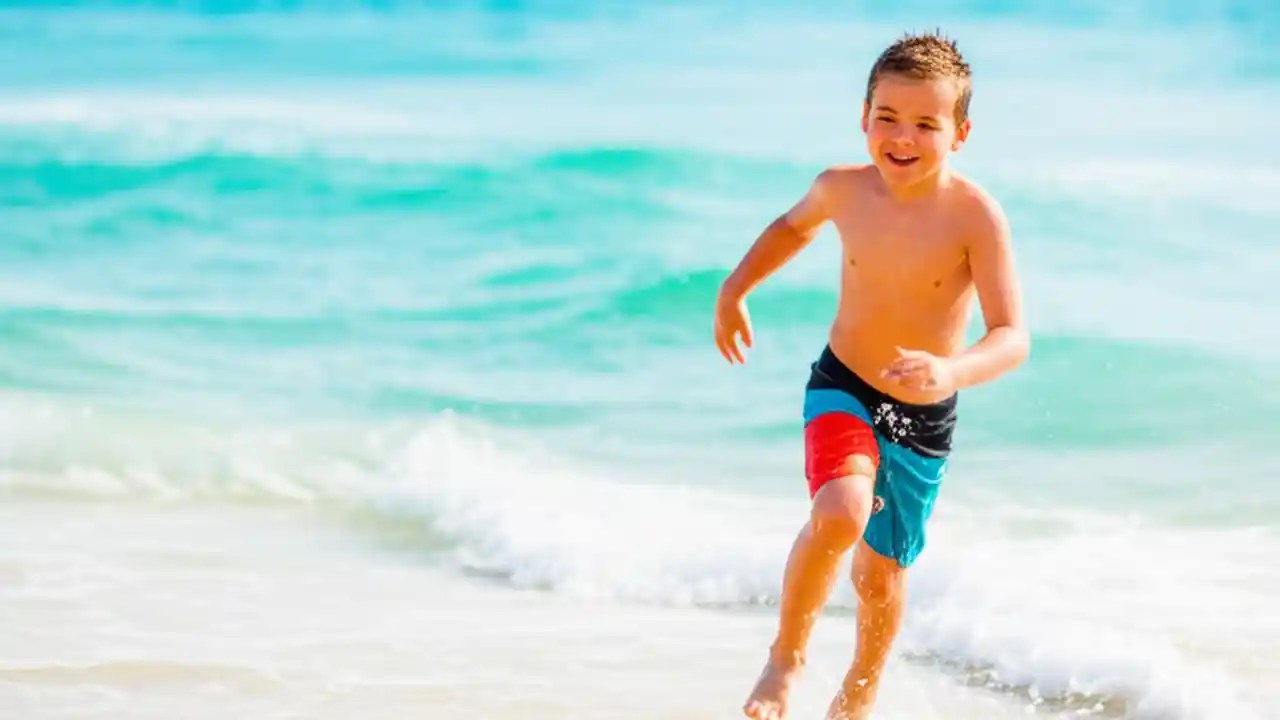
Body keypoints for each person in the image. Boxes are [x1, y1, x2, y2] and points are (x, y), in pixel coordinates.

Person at [713, 32, 1030, 720]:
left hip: (923, 414)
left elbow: (1012, 337)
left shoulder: (976, 216)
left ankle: (861, 688)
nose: (901, 136)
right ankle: (785, 660)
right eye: (886, 116)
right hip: (844, 385)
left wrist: (951, 368)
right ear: (863, 117)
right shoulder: (842, 189)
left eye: (925, 123)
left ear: (961, 133)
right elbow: (791, 229)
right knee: (839, 512)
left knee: (880, 575)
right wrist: (734, 290)